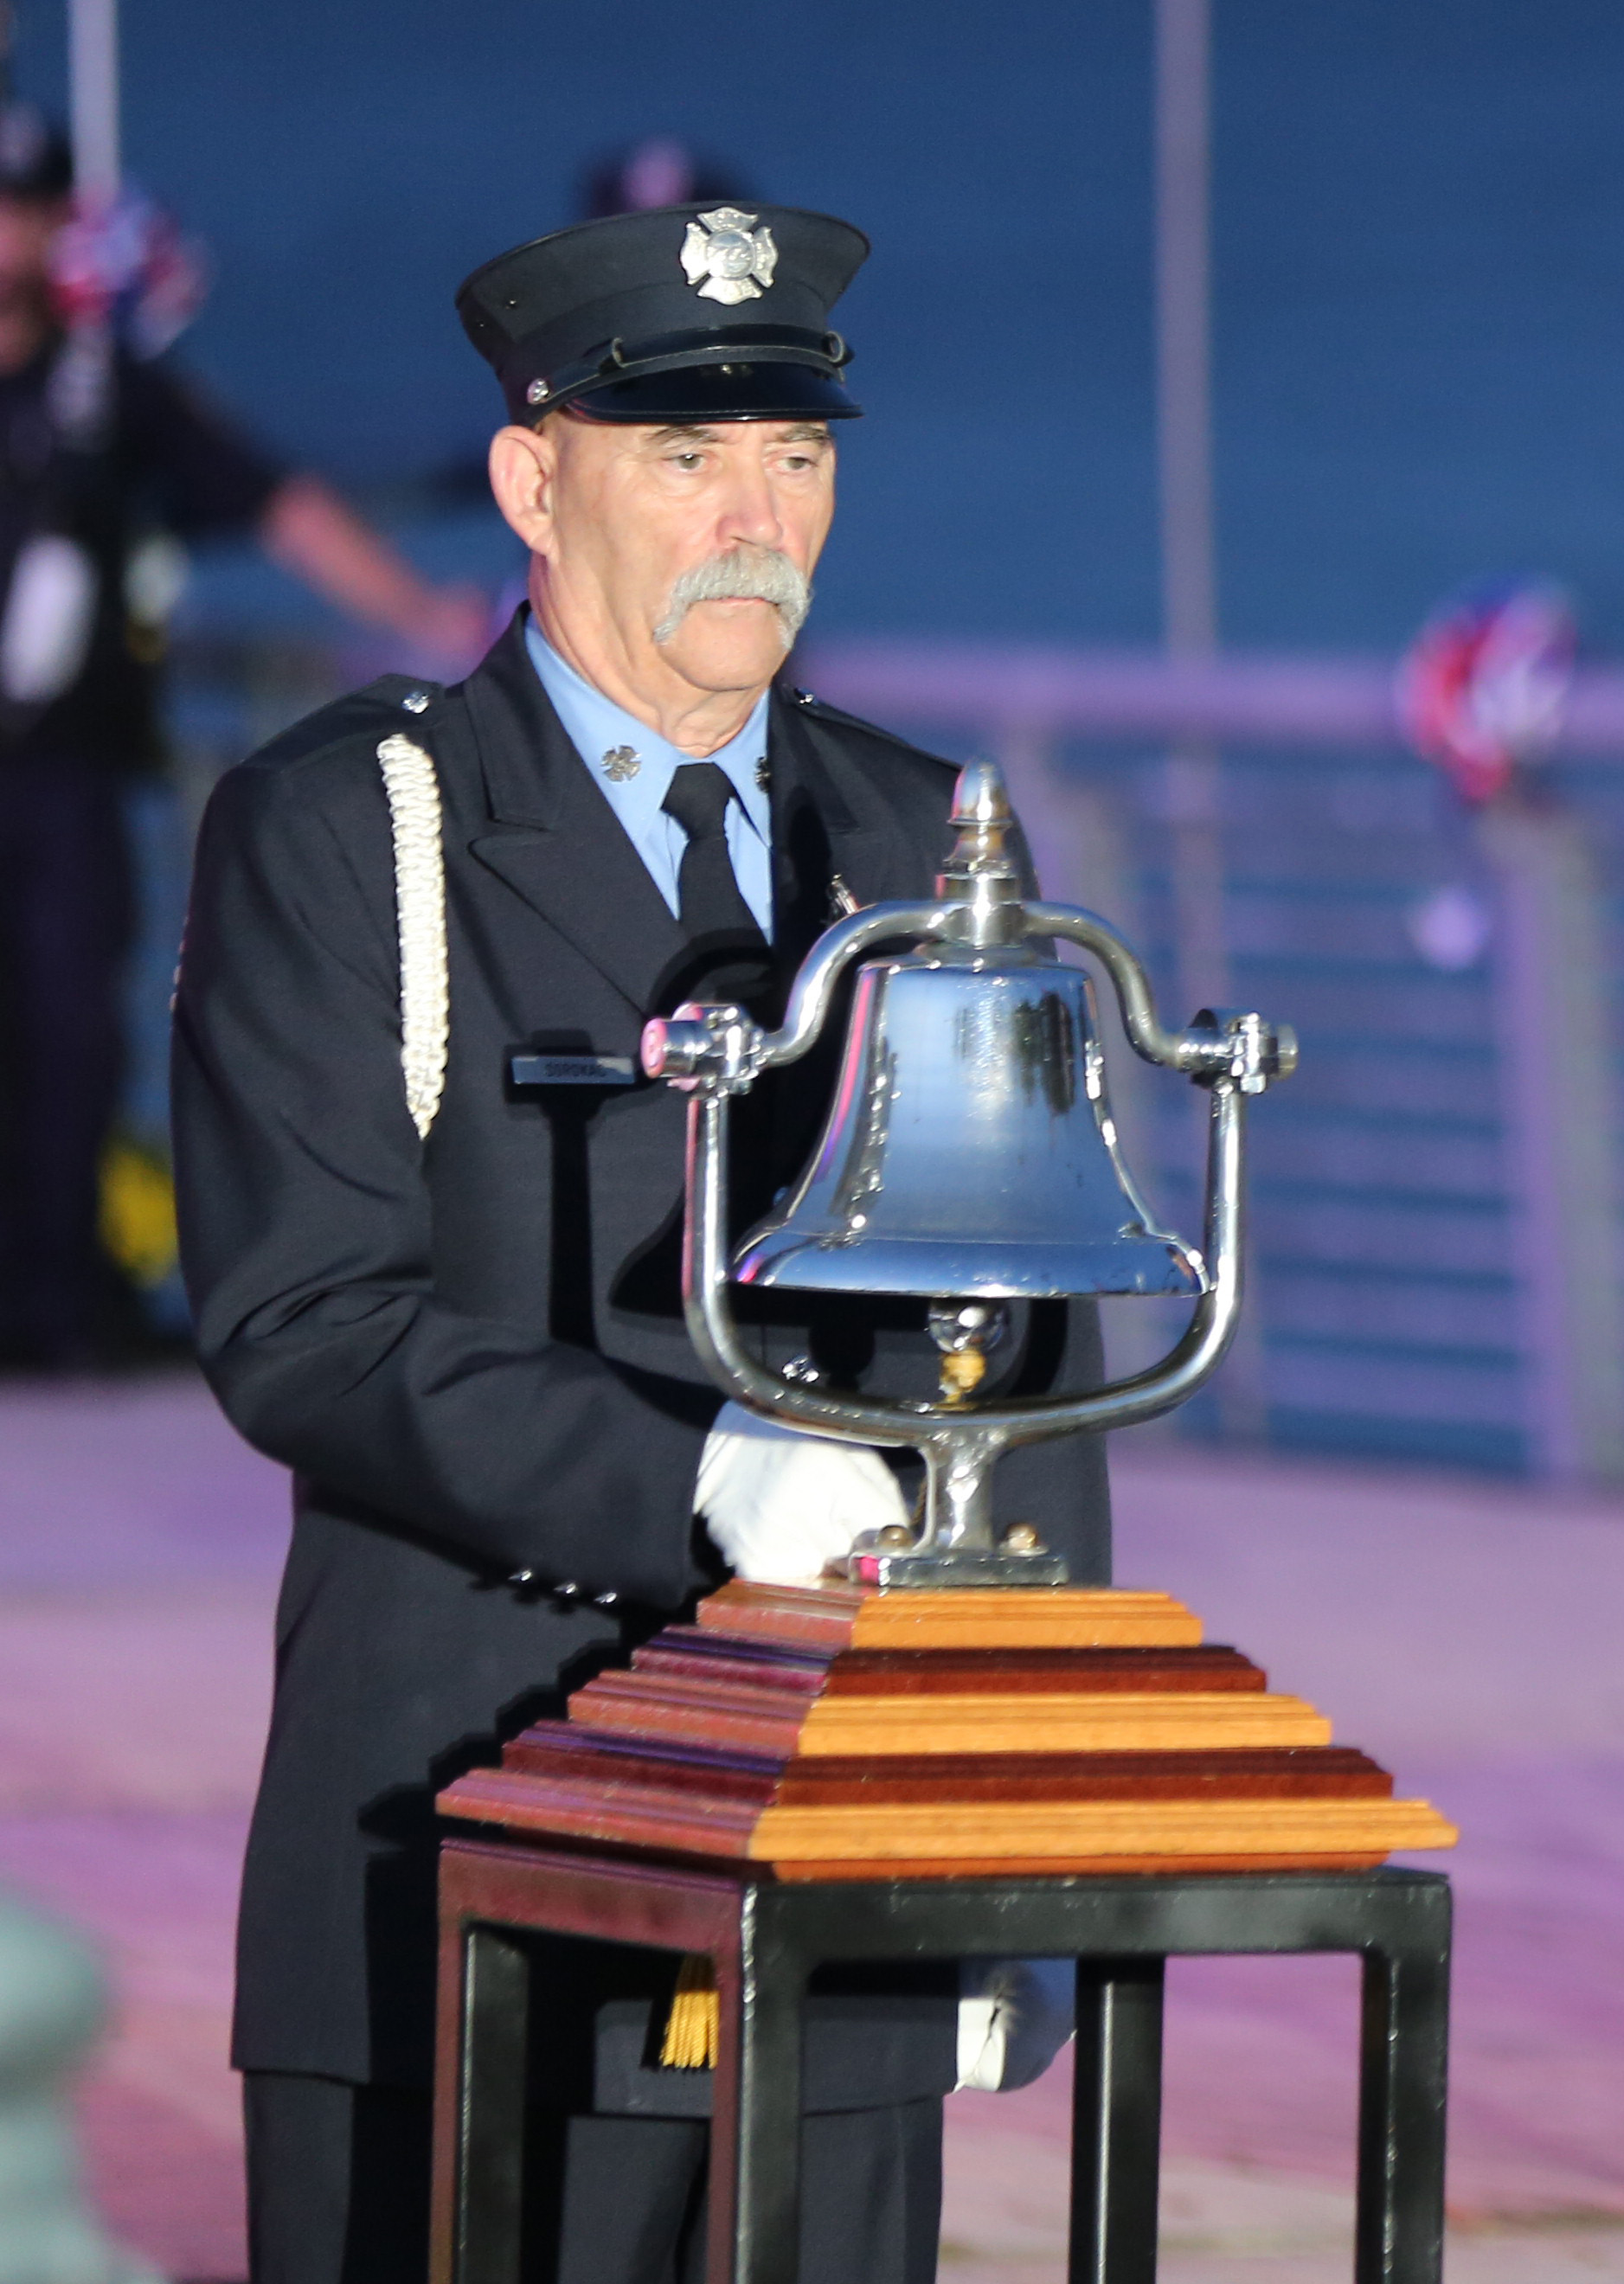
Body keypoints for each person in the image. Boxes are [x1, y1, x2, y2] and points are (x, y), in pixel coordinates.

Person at [172, 200, 1108, 2283]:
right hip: (467, 1838)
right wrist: (701, 1480)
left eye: (798, 455)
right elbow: (300, 1318)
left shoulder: (920, 836)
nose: (756, 520)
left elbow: (1023, 1358)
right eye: (686, 456)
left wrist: (1012, 1845)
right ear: (533, 485)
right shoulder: (354, 828)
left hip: (838, 1855)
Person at [0, 108, 483, 1371]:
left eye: (24, 210)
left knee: (68, 1027)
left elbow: (277, 503)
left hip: (63, 769)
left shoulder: (105, 391)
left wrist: (425, 616)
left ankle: (56, 1298)